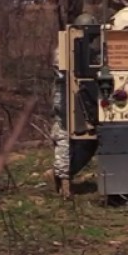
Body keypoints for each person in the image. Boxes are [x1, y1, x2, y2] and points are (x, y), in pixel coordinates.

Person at [51, 48, 70, 199]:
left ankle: (62, 182)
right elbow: (59, 104)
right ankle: (64, 185)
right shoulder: (61, 82)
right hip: (64, 116)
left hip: (67, 112)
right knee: (63, 142)